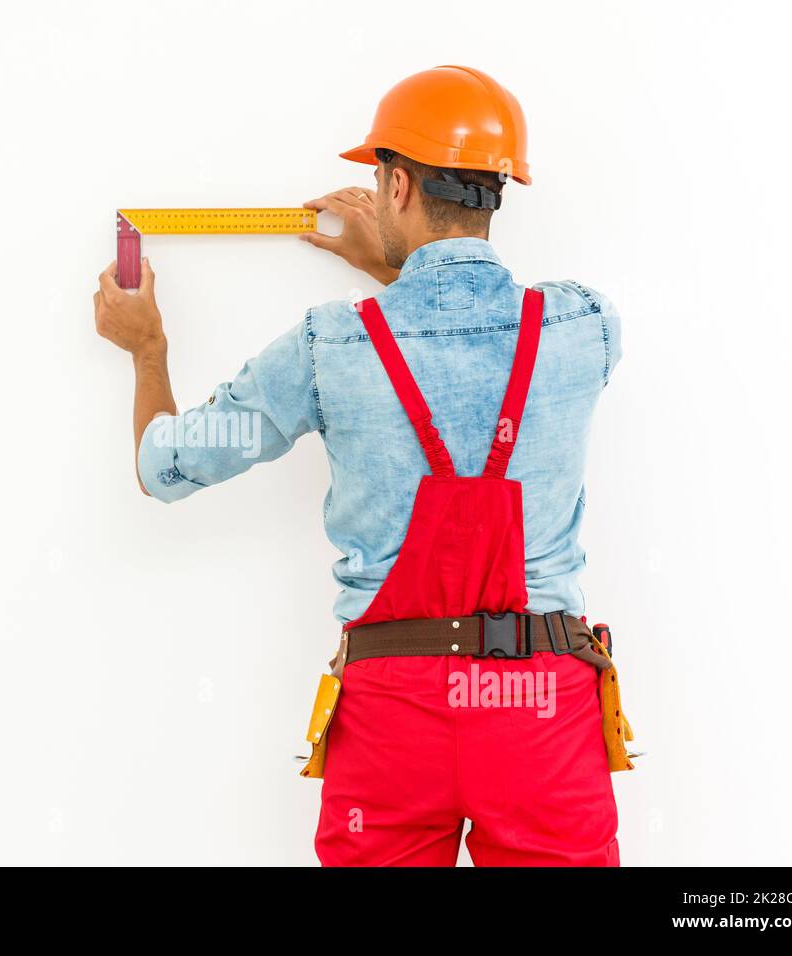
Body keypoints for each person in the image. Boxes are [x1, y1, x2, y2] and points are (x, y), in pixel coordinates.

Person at [93, 65, 623, 866]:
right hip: (537, 708)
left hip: (393, 718)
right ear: (499, 189)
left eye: (378, 181)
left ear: (399, 184)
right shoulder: (584, 326)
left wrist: (147, 348)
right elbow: (475, 363)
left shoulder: (330, 348)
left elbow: (163, 466)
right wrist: (395, 270)